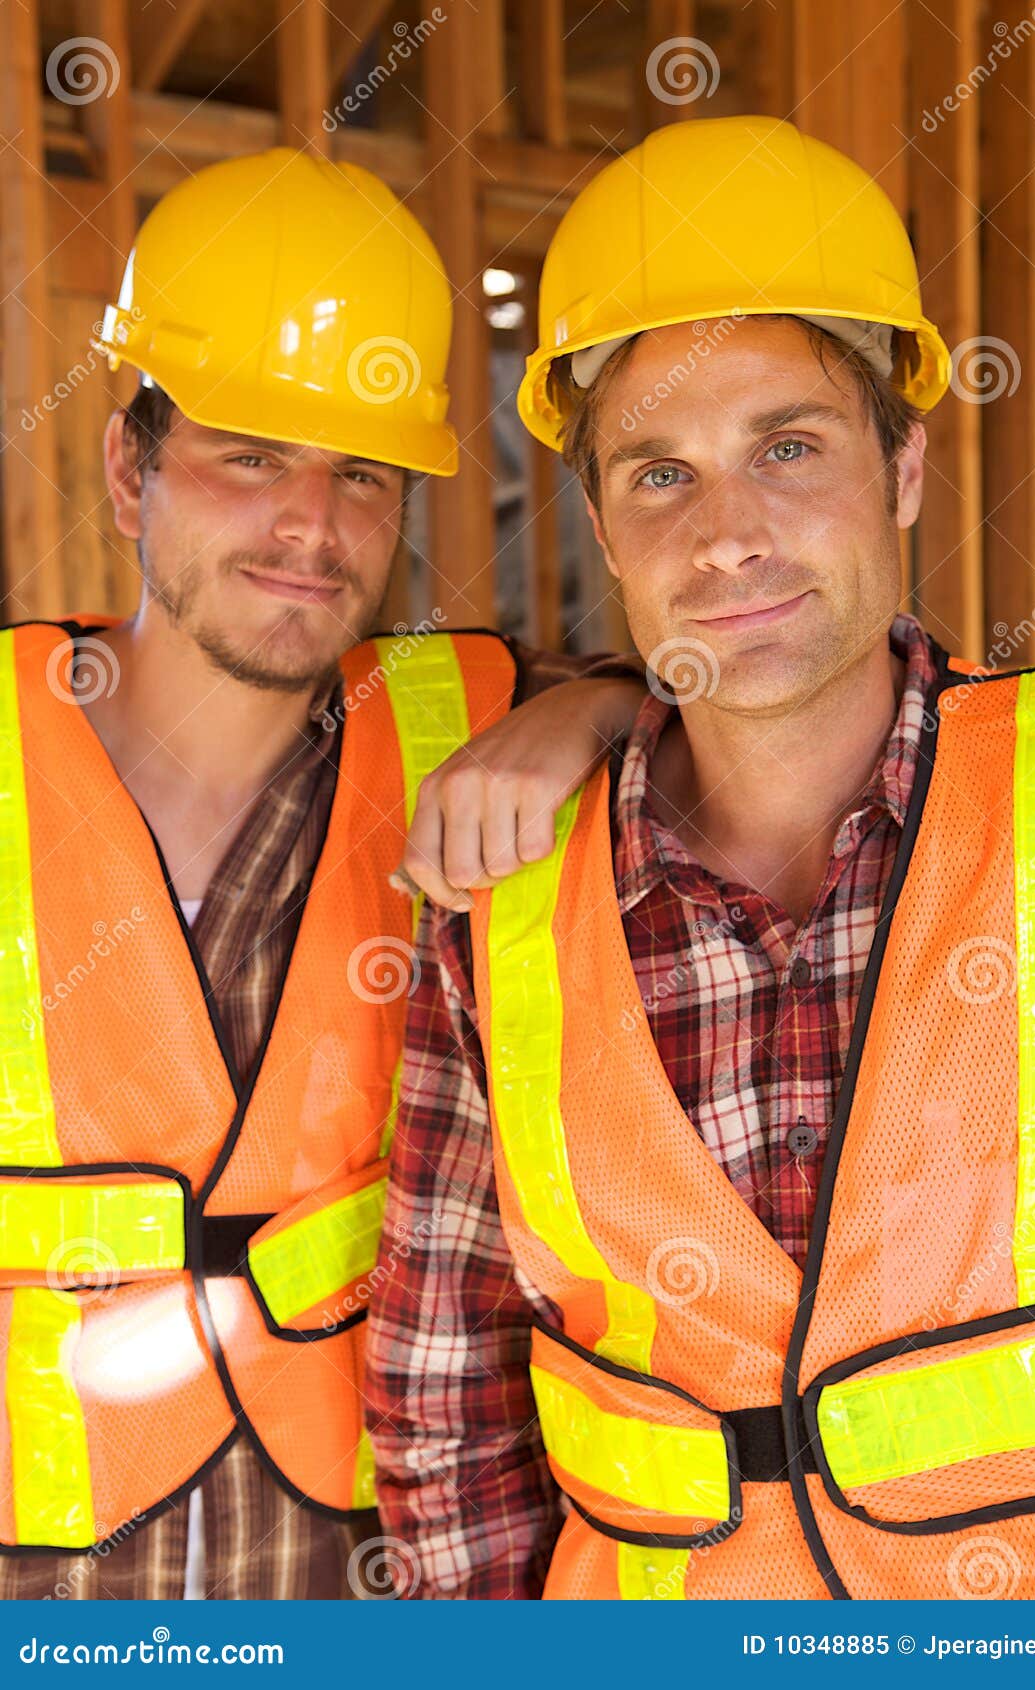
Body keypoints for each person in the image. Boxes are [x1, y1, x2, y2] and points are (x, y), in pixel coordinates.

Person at [367, 114, 1035, 1602]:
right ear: (608, 534)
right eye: (660, 476)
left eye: (789, 448)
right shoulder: (505, 915)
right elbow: (447, 1417)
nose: (728, 534)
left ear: (905, 469)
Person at [0, 147, 643, 1601]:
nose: (311, 524)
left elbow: (707, 720)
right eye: (248, 456)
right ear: (126, 467)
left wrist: (593, 710)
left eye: (361, 473)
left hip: (361, 1575)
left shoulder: (465, 722)